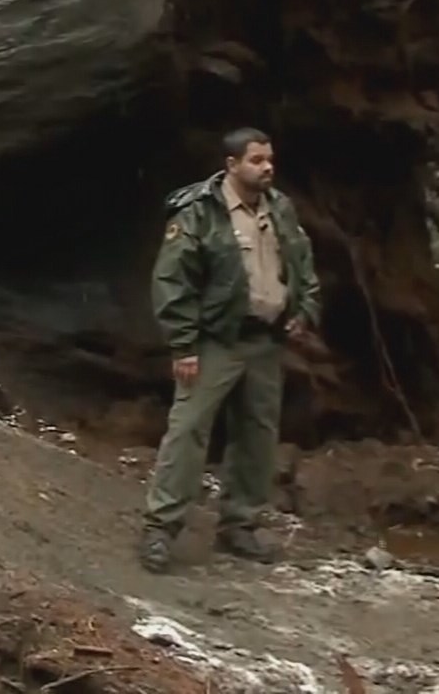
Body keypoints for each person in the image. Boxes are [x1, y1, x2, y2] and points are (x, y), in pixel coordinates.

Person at [138, 127, 321, 574]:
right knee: (190, 429)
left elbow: (301, 262)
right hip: (215, 340)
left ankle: (239, 525)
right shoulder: (199, 211)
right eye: (256, 160)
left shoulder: (280, 208)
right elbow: (172, 281)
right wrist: (183, 343)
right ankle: (161, 528)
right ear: (232, 165)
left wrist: (305, 308)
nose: (267, 167)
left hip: (265, 340)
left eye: (270, 159)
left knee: (257, 434)